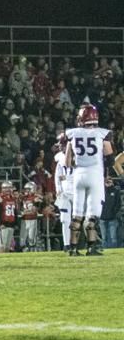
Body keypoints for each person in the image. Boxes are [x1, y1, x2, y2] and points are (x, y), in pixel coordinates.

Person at [65, 103, 113, 256]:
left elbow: (67, 161)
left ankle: (73, 249)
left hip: (78, 175)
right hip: (95, 175)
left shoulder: (72, 133)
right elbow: (109, 156)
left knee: (77, 213)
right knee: (92, 214)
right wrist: (107, 173)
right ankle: (91, 247)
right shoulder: (102, 133)